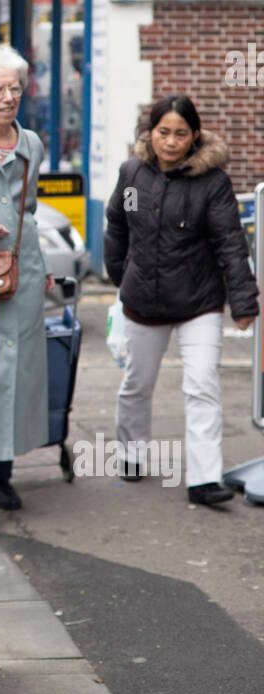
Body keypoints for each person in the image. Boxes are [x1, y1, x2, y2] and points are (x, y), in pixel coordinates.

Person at [104, 94, 258, 506]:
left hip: (199, 302)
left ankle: (204, 480)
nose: (171, 142)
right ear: (150, 134)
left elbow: (230, 243)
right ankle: (132, 455)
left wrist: (243, 302)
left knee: (203, 384)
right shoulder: (132, 174)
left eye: (181, 134)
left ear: (194, 137)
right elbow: (117, 224)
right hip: (142, 301)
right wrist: (121, 276)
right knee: (137, 384)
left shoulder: (213, 183)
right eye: (163, 133)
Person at [0, 44, 53, 514]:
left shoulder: (30, 142)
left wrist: (42, 267)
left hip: (22, 268)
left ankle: (2, 475)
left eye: (15, 88)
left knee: (18, 375)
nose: (8, 97)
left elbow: (29, 211)